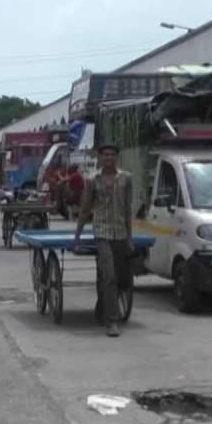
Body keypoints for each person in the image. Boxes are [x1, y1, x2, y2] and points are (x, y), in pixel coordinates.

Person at [73, 143, 134, 337]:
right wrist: (77, 237)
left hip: (121, 233)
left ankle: (102, 308)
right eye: (105, 155)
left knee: (120, 278)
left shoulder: (126, 179)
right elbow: (84, 209)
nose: (109, 158)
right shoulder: (92, 180)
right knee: (109, 276)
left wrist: (130, 238)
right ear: (100, 158)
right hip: (102, 232)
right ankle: (112, 321)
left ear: (117, 157)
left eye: (112, 155)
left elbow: (127, 210)